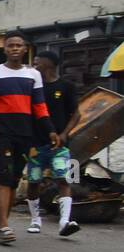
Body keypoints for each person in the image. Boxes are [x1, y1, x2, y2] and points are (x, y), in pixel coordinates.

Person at [0, 31, 59, 245]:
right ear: (4, 49)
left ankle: (0, 225)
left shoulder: (33, 75)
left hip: (26, 135)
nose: (15, 48)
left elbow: (40, 106)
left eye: (19, 45)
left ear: (25, 49)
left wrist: (51, 130)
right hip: (3, 134)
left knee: (14, 178)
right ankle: (4, 224)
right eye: (10, 45)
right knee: (6, 175)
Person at [25, 48, 80, 237]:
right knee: (33, 182)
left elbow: (76, 114)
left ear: (48, 63)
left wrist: (65, 133)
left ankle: (65, 221)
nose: (35, 64)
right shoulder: (32, 88)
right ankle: (35, 220)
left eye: (38, 61)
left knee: (62, 179)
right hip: (35, 144)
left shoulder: (66, 87)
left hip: (59, 146)